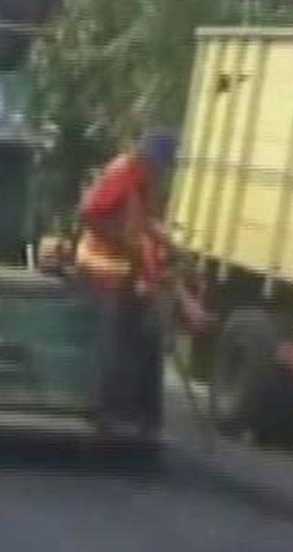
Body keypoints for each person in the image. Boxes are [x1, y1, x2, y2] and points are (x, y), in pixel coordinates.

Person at [75, 128, 210, 439]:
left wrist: (173, 248)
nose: (161, 172)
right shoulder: (123, 173)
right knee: (117, 343)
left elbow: (147, 222)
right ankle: (107, 413)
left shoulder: (143, 180)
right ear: (148, 158)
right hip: (103, 266)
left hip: (127, 268)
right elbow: (88, 213)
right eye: (160, 165)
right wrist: (120, 242)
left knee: (145, 338)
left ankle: (138, 413)